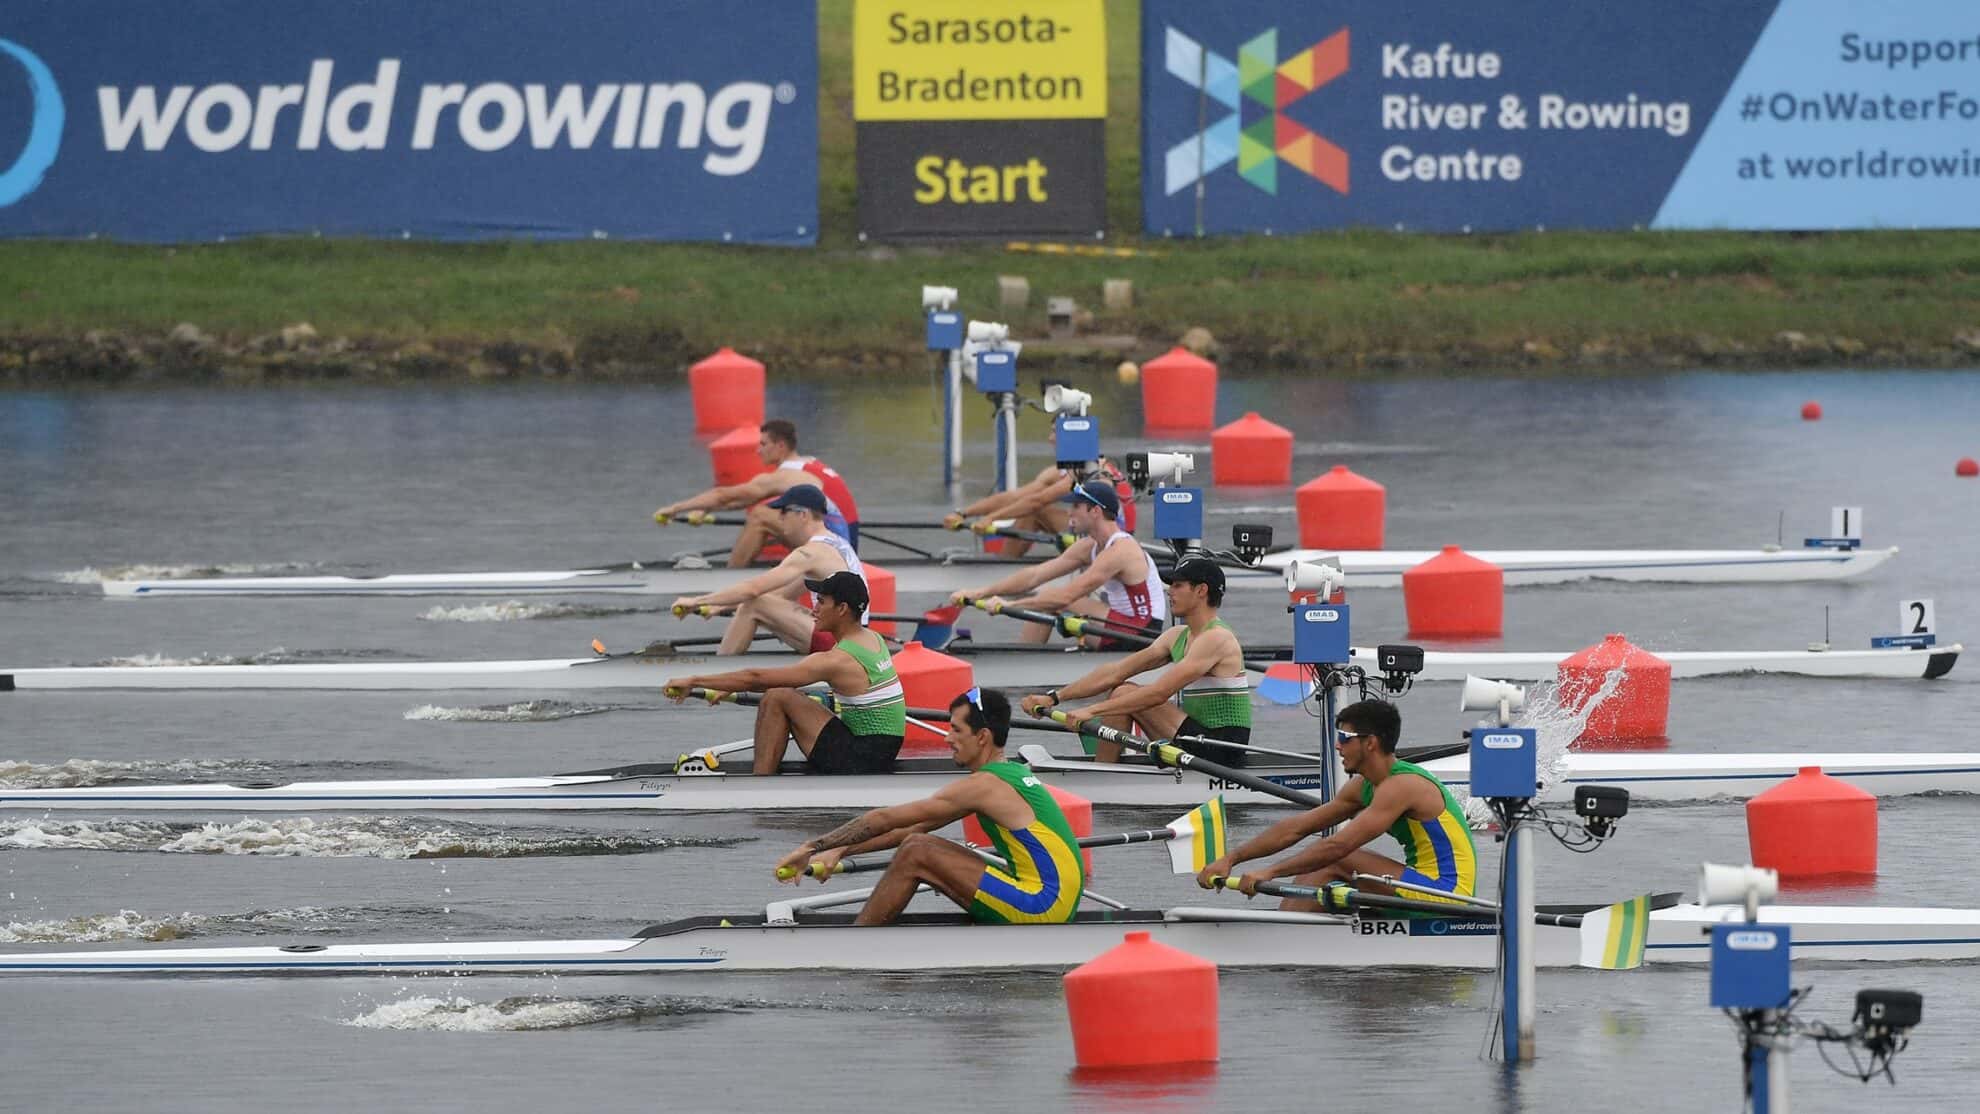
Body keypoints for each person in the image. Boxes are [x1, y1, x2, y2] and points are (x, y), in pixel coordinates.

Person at [773, 688, 1086, 926]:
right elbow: (911, 828)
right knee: (918, 843)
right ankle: (866, 937)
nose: (948, 738)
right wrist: (842, 851)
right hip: (1053, 898)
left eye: (956, 730)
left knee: (918, 852)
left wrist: (812, 847)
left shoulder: (985, 785)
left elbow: (885, 819)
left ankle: (856, 946)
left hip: (1042, 905)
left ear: (982, 737)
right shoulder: (1011, 774)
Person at [1194, 699, 1478, 913]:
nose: (1338, 746)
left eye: (1344, 738)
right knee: (1317, 870)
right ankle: (1289, 933)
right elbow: (1295, 828)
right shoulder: (1362, 785)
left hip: (1450, 895)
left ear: (1371, 743)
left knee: (1337, 858)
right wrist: (1230, 859)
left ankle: (1283, 940)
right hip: (1417, 884)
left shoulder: (1402, 786)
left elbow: (1338, 848)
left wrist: (1270, 872)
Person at [1018, 556, 1251, 767]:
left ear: (1201, 591)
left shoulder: (1216, 638)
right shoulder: (1176, 635)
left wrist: (1092, 710)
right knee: (1122, 688)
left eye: (1178, 585)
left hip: (1224, 747)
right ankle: (1106, 770)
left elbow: (1159, 693)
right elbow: (1115, 672)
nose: (1170, 592)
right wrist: (1054, 697)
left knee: (1122, 694)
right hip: (1194, 737)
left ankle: (1104, 776)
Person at [665, 571, 904, 776]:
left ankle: (761, 788)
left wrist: (694, 680)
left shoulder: (837, 659)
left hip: (864, 759)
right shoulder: (872, 638)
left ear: (842, 609)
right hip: (883, 748)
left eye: (822, 601)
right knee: (784, 693)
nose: (815, 608)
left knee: (778, 696)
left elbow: (756, 679)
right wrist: (729, 685)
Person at [949, 481, 1166, 648]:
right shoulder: (1088, 545)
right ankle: (1024, 656)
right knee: (1046, 594)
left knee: (1054, 598)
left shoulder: (1120, 550)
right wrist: (981, 592)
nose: (1069, 513)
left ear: (1096, 511)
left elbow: (1066, 597)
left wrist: (1010, 606)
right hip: (1120, 624)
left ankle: (1023, 664)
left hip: (1141, 633)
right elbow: (1035, 575)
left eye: (1076, 506)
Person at [668, 485, 863, 654]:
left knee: (753, 605)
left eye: (783, 512)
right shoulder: (836, 544)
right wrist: (721, 605)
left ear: (802, 515)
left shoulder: (811, 552)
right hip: (854, 637)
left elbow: (753, 590)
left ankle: (717, 673)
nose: (779, 519)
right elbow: (780, 594)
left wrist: (696, 601)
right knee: (757, 603)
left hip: (841, 644)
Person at [654, 418, 862, 565]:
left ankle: (729, 577)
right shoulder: (808, 462)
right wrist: (706, 510)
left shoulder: (785, 475)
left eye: (763, 444)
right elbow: (740, 500)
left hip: (838, 548)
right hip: (845, 538)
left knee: (760, 516)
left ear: (780, 446)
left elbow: (724, 495)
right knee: (775, 512)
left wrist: (676, 508)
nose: (757, 450)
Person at [943, 427, 1136, 557]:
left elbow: (1037, 502)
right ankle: (1004, 563)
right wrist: (964, 513)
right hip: (1095, 529)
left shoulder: (1090, 466)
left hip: (1117, 536)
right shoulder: (1059, 471)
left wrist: (990, 519)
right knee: (1033, 511)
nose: (1050, 439)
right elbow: (1014, 497)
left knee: (1036, 512)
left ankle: (1002, 567)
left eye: (1055, 432)